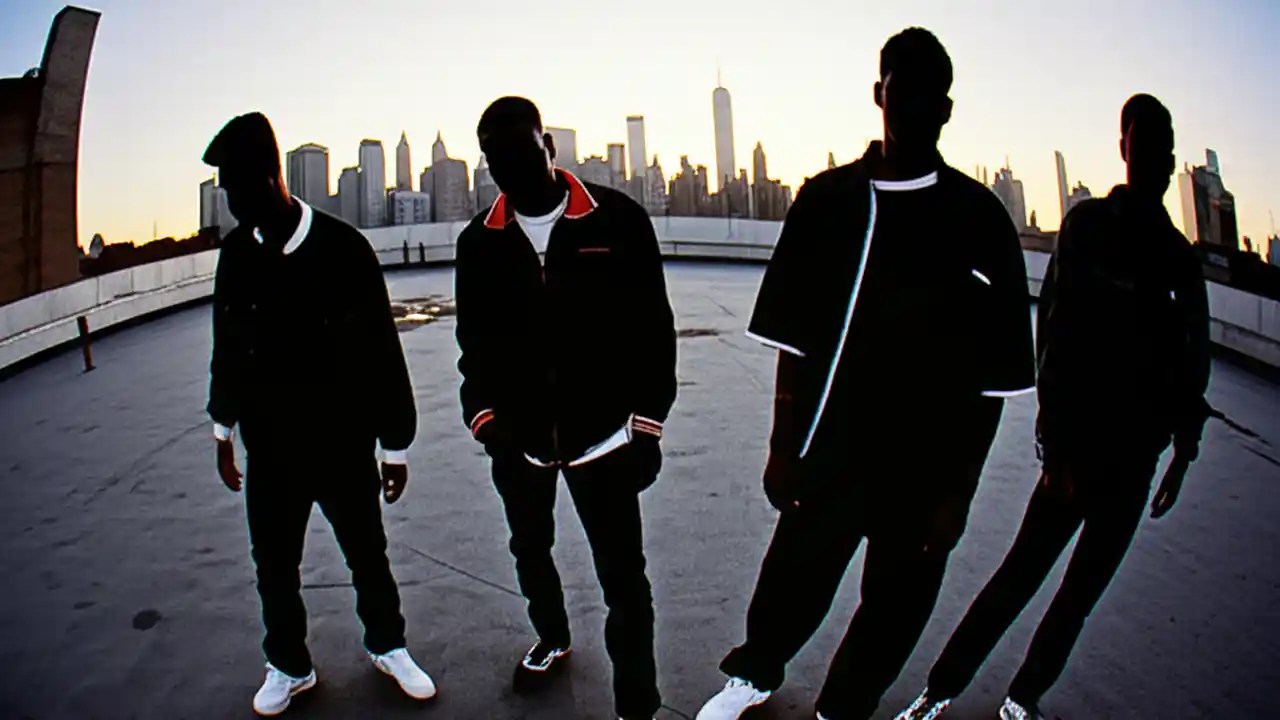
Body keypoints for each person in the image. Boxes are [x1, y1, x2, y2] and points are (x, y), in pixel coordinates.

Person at [695, 28, 1036, 720]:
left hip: (926, 470)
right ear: (879, 94)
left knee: (897, 603)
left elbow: (992, 385)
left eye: (927, 94)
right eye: (898, 88)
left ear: (946, 108)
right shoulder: (827, 201)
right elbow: (792, 342)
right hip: (831, 450)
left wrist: (959, 493)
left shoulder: (981, 221)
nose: (910, 105)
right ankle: (755, 673)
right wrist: (781, 445)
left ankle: (842, 707)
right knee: (793, 574)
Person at [895, 94, 1212, 720]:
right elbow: (1058, 336)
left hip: (1129, 462)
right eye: (1146, 141)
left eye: (1164, 146)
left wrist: (1182, 450)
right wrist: (1057, 441)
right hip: (1084, 453)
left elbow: (1188, 358)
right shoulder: (1092, 228)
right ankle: (939, 693)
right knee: (1021, 579)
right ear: (1125, 149)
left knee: (1073, 593)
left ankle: (1016, 699)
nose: (1155, 154)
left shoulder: (1176, 256)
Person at [204, 112, 436, 716]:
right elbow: (226, 346)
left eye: (235, 186)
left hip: (341, 446)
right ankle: (288, 665)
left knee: (367, 554)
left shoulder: (343, 250)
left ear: (271, 176)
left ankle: (389, 646)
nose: (229, 201)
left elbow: (382, 352)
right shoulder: (235, 257)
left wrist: (396, 444)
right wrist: (222, 426)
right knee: (274, 567)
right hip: (271, 451)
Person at [454, 97, 677, 720]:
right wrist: (488, 424)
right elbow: (474, 346)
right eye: (496, 160)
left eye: (522, 150)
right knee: (530, 549)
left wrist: (647, 427)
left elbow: (654, 333)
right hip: (518, 441)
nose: (511, 168)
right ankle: (551, 638)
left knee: (625, 584)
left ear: (548, 145)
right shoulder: (479, 243)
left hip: (604, 440)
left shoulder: (619, 221)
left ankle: (638, 703)